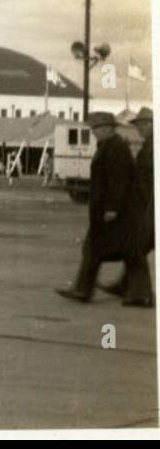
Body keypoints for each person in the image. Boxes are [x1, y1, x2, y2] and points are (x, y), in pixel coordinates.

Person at [57, 112, 151, 306]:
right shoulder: (110, 145)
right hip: (119, 211)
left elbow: (119, 180)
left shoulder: (115, 148)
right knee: (127, 251)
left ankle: (85, 290)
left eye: (96, 129)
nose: (93, 132)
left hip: (118, 212)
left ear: (108, 128)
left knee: (101, 248)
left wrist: (112, 207)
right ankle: (135, 293)